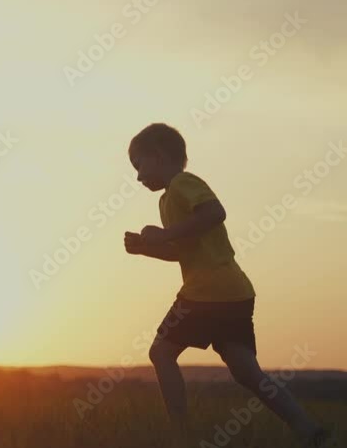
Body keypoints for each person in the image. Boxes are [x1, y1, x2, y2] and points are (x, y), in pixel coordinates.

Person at [124, 123, 333, 447]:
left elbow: (215, 212)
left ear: (158, 155)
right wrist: (146, 248)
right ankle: (309, 430)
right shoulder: (167, 200)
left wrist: (164, 234)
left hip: (205, 293)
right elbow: (184, 251)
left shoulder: (183, 183)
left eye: (139, 165)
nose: (137, 176)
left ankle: (180, 436)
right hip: (233, 292)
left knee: (161, 352)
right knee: (246, 372)